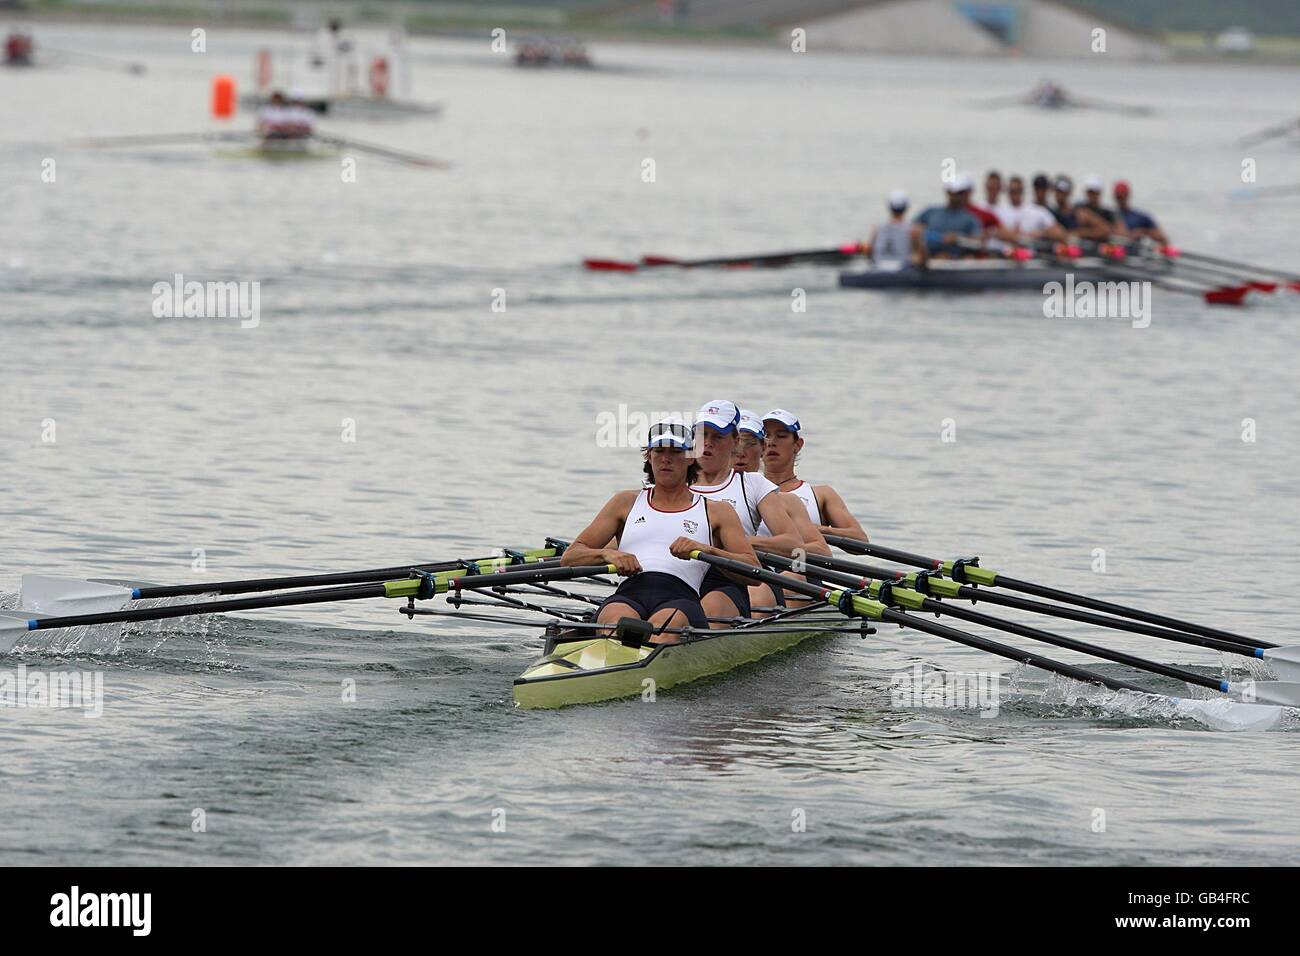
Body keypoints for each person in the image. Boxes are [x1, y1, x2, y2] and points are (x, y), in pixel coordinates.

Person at [561, 418, 759, 642]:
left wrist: (705, 550)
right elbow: (570, 557)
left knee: (661, 633)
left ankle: (642, 661)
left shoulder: (717, 511)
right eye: (659, 450)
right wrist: (607, 554)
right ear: (649, 456)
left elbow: (753, 571)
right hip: (629, 594)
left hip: (680, 599)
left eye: (675, 451)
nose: (666, 459)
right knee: (613, 628)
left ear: (691, 457)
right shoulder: (625, 502)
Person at [688, 401, 807, 621]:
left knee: (732, 604)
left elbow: (795, 546)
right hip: (682, 574)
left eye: (717, 437)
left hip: (740, 575)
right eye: (702, 434)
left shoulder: (753, 484)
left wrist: (735, 543)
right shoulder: (674, 483)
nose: (707, 443)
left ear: (734, 442)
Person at [760, 410, 869, 542]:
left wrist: (817, 529)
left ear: (798, 445)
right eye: (766, 436)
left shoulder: (821, 495)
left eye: (781, 436)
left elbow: (860, 539)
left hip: (800, 561)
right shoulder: (745, 489)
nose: (771, 442)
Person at [914, 174, 982, 263]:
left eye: (958, 193)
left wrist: (957, 239)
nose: (955, 196)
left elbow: (978, 243)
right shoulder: (931, 212)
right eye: (951, 192)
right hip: (928, 261)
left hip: (956, 262)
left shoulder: (970, 218)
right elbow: (912, 228)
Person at [995, 174, 1066, 244]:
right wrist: (1019, 237)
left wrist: (1040, 234)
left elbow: (1060, 234)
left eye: (1018, 191)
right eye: (1012, 191)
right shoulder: (999, 211)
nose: (1015, 195)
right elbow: (994, 233)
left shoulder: (1037, 210)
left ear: (1023, 191)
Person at [863, 190, 920, 267]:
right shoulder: (914, 230)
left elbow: (869, 253)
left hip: (879, 270)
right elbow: (922, 260)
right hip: (903, 272)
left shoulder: (877, 229)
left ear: (889, 207)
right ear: (907, 207)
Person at [1076, 175, 1127, 241]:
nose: (1092, 195)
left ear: (1100, 192)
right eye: (1090, 192)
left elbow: (1122, 233)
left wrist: (1086, 232)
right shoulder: (1079, 208)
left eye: (1095, 192)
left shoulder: (1108, 213)